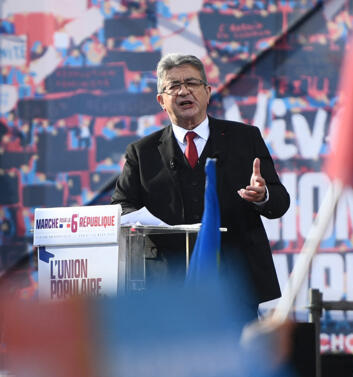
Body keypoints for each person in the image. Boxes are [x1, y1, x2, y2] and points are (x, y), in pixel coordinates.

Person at [111, 53, 290, 317]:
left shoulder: (244, 138)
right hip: (168, 286)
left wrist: (262, 195)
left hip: (235, 283)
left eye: (192, 83)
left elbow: (279, 201)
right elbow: (121, 206)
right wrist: (146, 223)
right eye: (173, 86)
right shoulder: (142, 152)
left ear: (207, 92)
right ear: (161, 100)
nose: (184, 91)